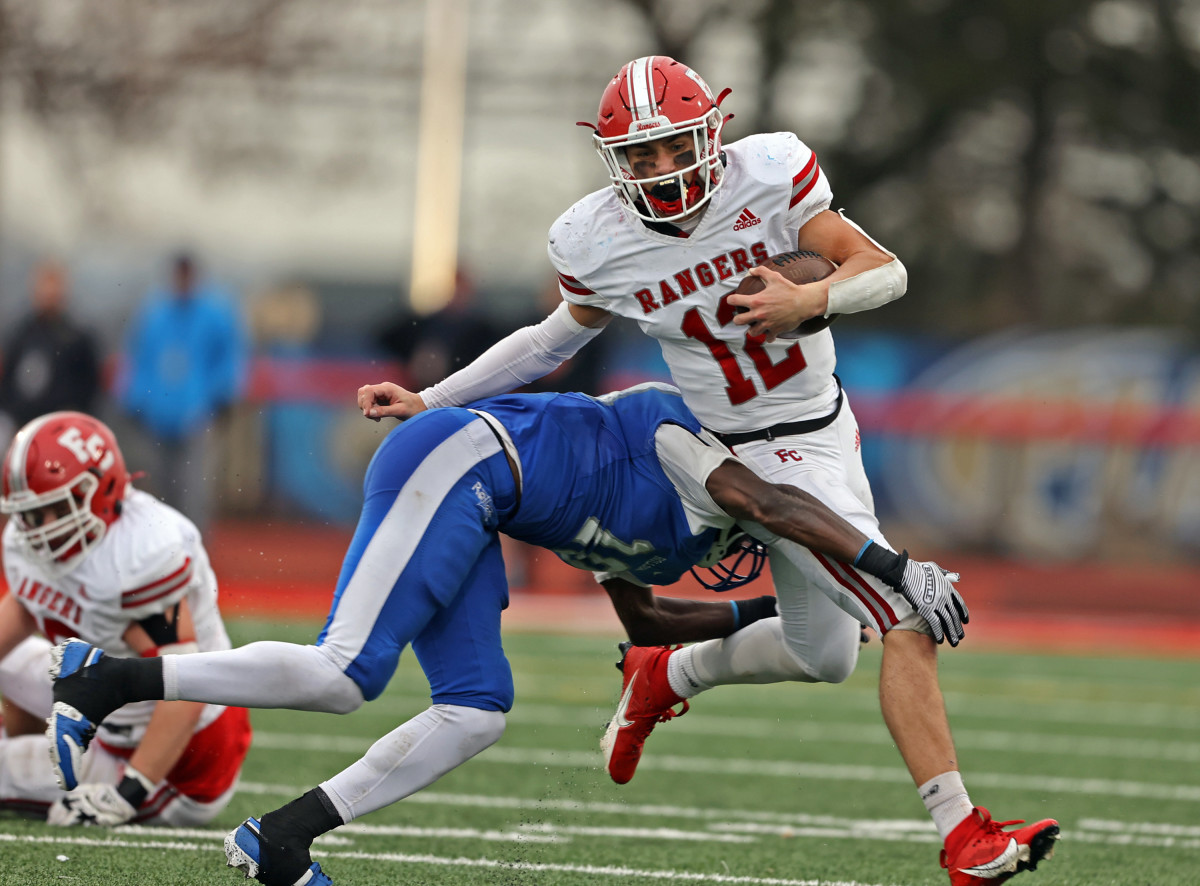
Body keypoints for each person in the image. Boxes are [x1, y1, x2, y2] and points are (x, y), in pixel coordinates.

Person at [354, 56, 1059, 885]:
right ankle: (963, 833)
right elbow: (552, 339)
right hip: (728, 450)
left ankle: (666, 669)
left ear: (711, 132)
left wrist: (811, 300)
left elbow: (885, 268)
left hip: (823, 429)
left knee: (825, 653)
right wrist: (433, 397)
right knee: (905, 611)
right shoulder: (598, 236)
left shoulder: (769, 175)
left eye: (670, 147)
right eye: (638, 155)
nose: (658, 170)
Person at [49, 383, 958, 886]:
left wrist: (761, 617)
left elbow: (648, 621)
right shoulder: (692, 448)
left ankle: (282, 837)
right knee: (345, 673)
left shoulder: (700, 520)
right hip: (460, 460)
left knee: (478, 711)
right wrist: (894, 573)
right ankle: (103, 681)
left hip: (480, 508)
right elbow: (767, 501)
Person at [0, 411, 251, 826]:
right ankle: (30, 742)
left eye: (54, 509)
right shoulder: (35, 540)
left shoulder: (140, 556)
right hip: (107, 712)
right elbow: (26, 604)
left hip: (176, 759)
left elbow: (185, 686)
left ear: (101, 492)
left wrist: (128, 793)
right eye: (29, 513)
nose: (36, 528)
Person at [118, 251, 249, 532]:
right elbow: (138, 358)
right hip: (157, 416)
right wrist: (135, 399)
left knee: (194, 490)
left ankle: (192, 551)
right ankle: (161, 551)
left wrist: (221, 398)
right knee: (159, 490)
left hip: (196, 415)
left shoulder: (214, 313)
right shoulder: (155, 312)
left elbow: (229, 359)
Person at [0, 260, 101, 446]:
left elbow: (90, 385)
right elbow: (7, 377)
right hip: (22, 426)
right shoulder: (19, 333)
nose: (49, 293)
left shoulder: (77, 337)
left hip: (62, 433)